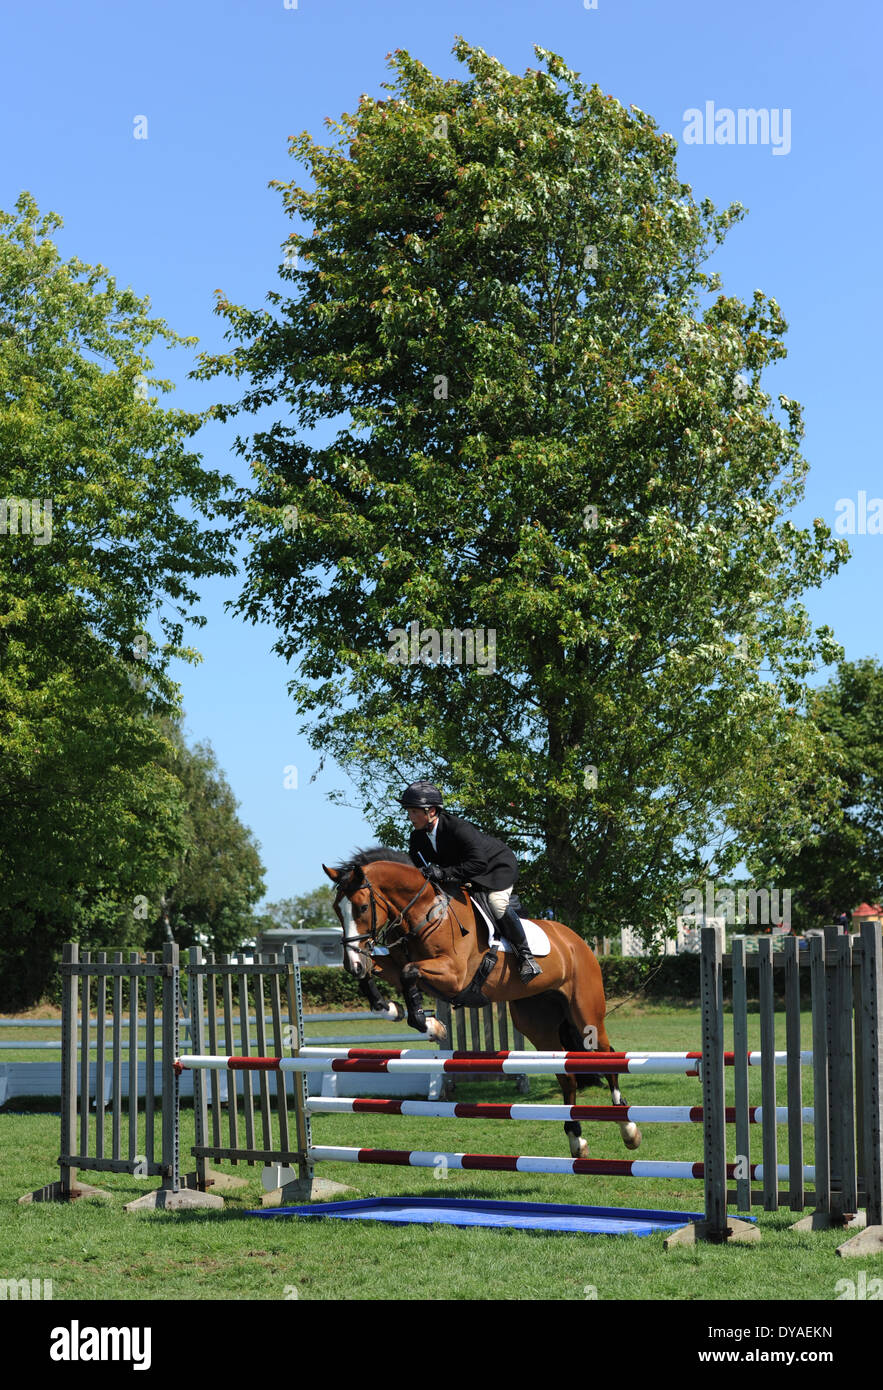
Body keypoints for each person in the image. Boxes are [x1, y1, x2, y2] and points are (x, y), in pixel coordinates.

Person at [399, 780, 542, 983]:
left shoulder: (458, 828)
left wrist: (442, 873)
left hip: (494, 868)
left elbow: (478, 864)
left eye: (414, 811)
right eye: (409, 811)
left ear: (431, 811)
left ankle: (526, 956)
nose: (410, 817)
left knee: (496, 903)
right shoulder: (417, 837)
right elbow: (415, 868)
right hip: (464, 873)